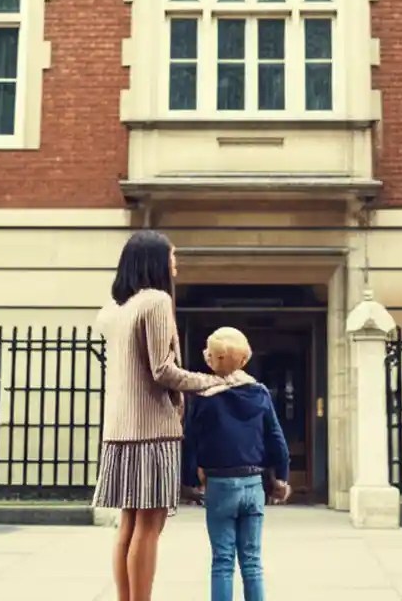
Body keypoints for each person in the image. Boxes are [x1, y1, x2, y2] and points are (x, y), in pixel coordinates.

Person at [92, 230, 234, 601]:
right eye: (172, 257)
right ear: (154, 262)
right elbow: (163, 370)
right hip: (152, 432)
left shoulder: (120, 308)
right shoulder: (155, 301)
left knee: (129, 522)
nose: (176, 265)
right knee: (150, 526)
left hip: (120, 432)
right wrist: (211, 381)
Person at [182, 327, 291, 601]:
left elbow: (191, 441)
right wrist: (281, 478)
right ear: (244, 360)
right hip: (253, 483)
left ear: (213, 360)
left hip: (219, 485)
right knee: (252, 562)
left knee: (222, 561)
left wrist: (190, 482)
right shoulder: (260, 393)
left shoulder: (203, 397)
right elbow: (276, 438)